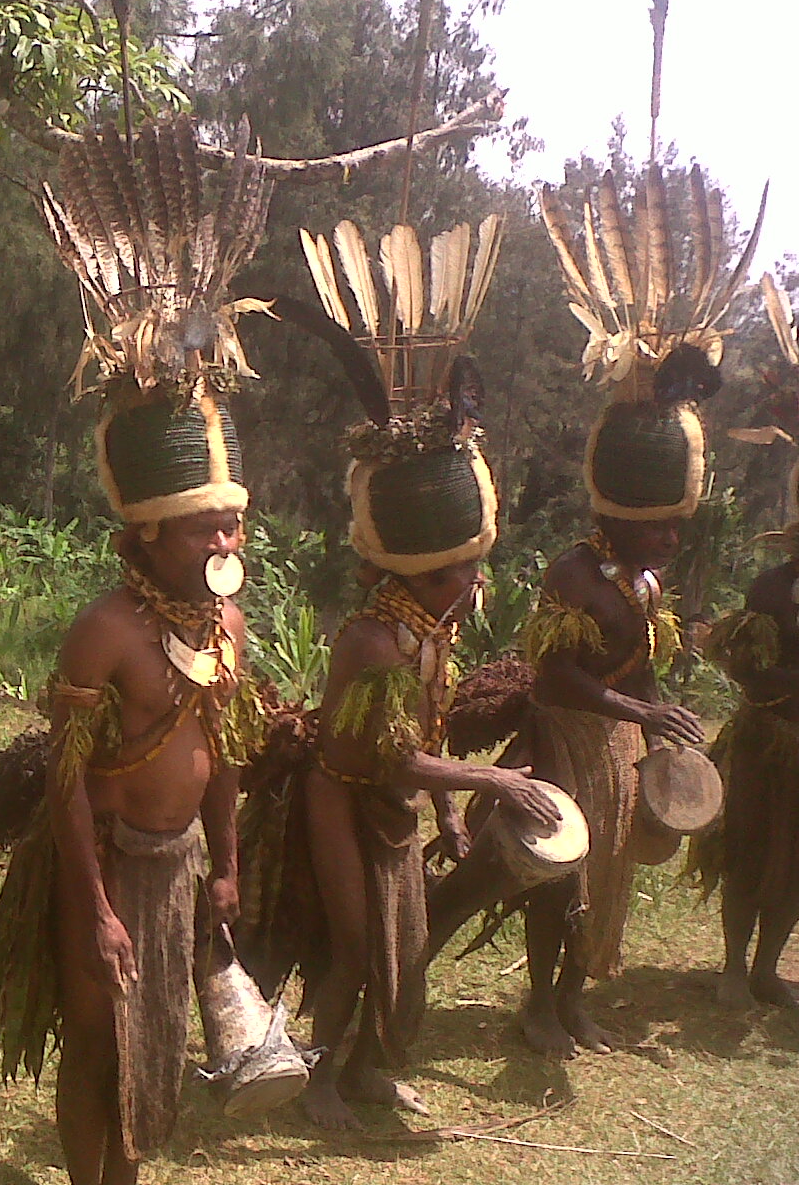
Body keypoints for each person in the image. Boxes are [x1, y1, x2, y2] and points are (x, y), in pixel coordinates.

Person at [0, 116, 271, 1185]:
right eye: (205, 528)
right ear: (148, 530)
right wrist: (91, 906)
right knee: (100, 1046)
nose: (225, 542)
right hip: (103, 864)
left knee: (161, 1051)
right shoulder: (106, 630)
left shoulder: (227, 624)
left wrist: (226, 864)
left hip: (183, 860)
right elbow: (63, 784)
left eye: (229, 523)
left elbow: (227, 750)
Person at [239, 215, 557, 1129]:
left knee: (406, 949)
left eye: (472, 564)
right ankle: (322, 1085)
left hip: (395, 805)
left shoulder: (434, 626)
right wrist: (487, 778)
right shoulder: (373, 639)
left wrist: (454, 814)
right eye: (460, 570)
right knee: (357, 948)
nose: (476, 582)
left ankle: (371, 1070)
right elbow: (386, 758)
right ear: (416, 567)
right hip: (343, 800)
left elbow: (428, 732)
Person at [514, 166, 755, 1055]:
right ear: (616, 510)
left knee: (609, 872)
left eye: (671, 528)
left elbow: (642, 666)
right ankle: (538, 1001)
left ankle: (574, 996)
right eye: (652, 529)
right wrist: (634, 712)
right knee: (562, 869)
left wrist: (659, 731)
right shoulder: (574, 575)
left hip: (617, 745)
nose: (665, 542)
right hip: (567, 742)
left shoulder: (645, 580)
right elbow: (557, 675)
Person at [689, 262, 799, 1008]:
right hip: (764, 743)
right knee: (751, 855)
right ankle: (731, 965)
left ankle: (767, 969)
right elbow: (740, 669)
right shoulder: (772, 587)